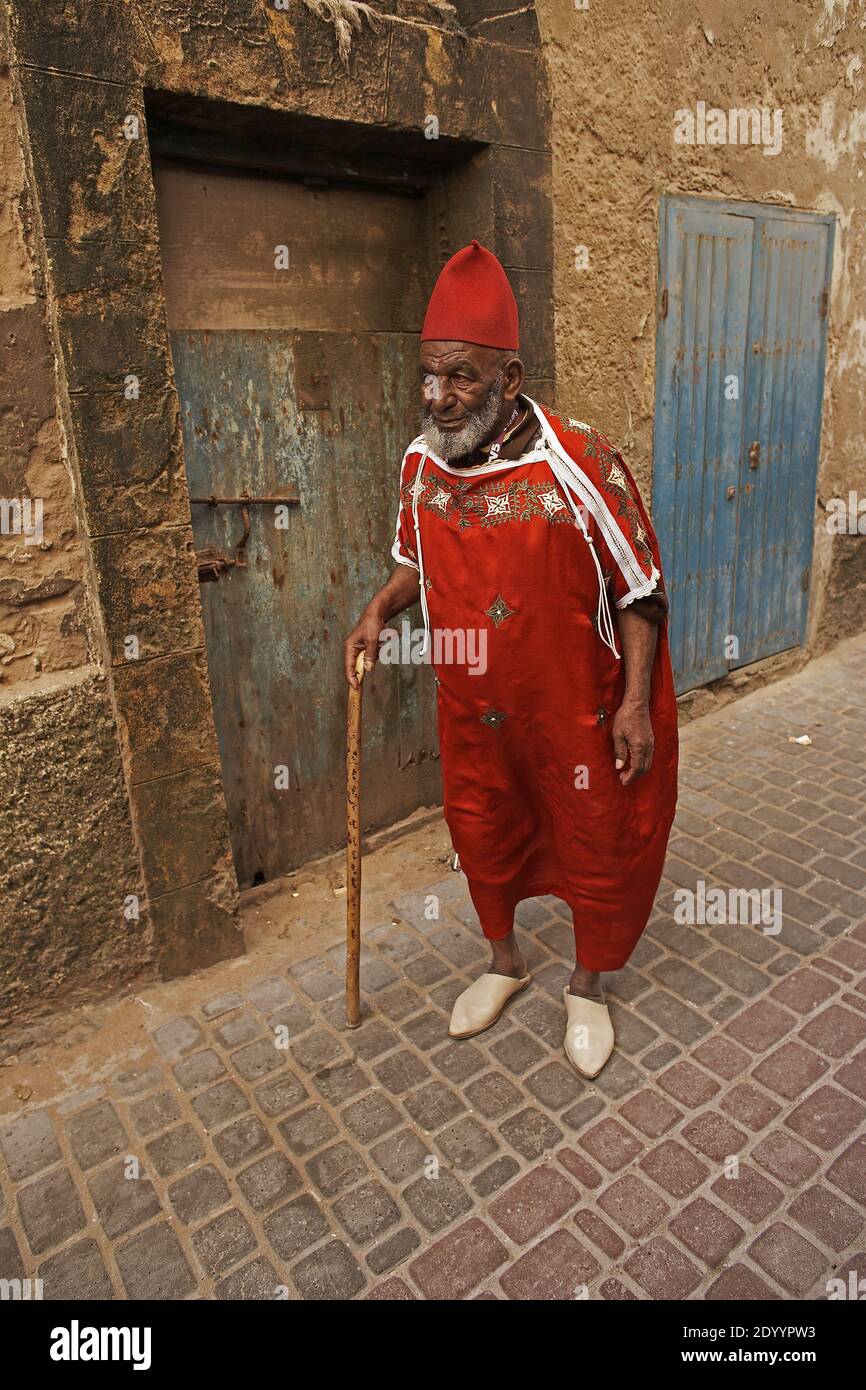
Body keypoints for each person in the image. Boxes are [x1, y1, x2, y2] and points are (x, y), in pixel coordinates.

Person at [344, 241, 678, 1077]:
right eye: (429, 375)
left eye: (460, 377)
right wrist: (379, 610)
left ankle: (588, 986)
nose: (439, 396)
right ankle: (504, 964)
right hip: (474, 705)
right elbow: (413, 562)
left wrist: (634, 703)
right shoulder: (422, 462)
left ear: (511, 377)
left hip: (577, 708)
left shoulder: (581, 459)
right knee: (485, 828)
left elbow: (641, 586)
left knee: (594, 837)